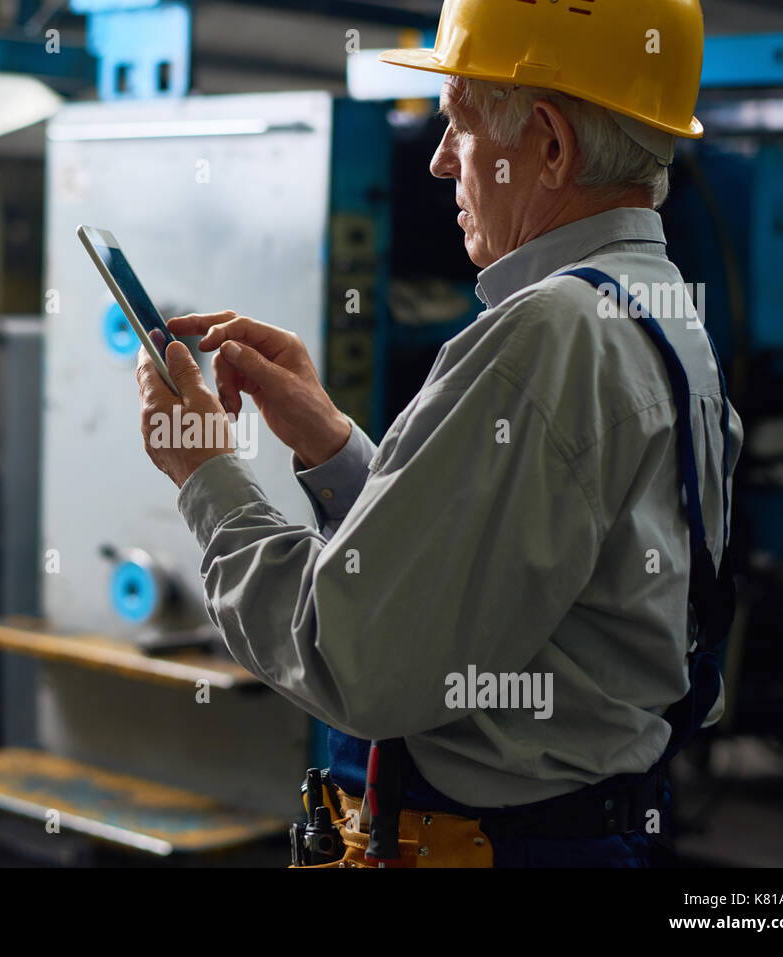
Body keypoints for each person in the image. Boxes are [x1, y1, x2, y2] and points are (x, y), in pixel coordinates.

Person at [134, 0, 741, 867]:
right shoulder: (662, 313)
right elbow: (500, 576)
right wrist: (333, 447)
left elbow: (357, 660)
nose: (438, 158)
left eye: (457, 121)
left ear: (551, 143)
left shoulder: (548, 335)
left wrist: (207, 477)